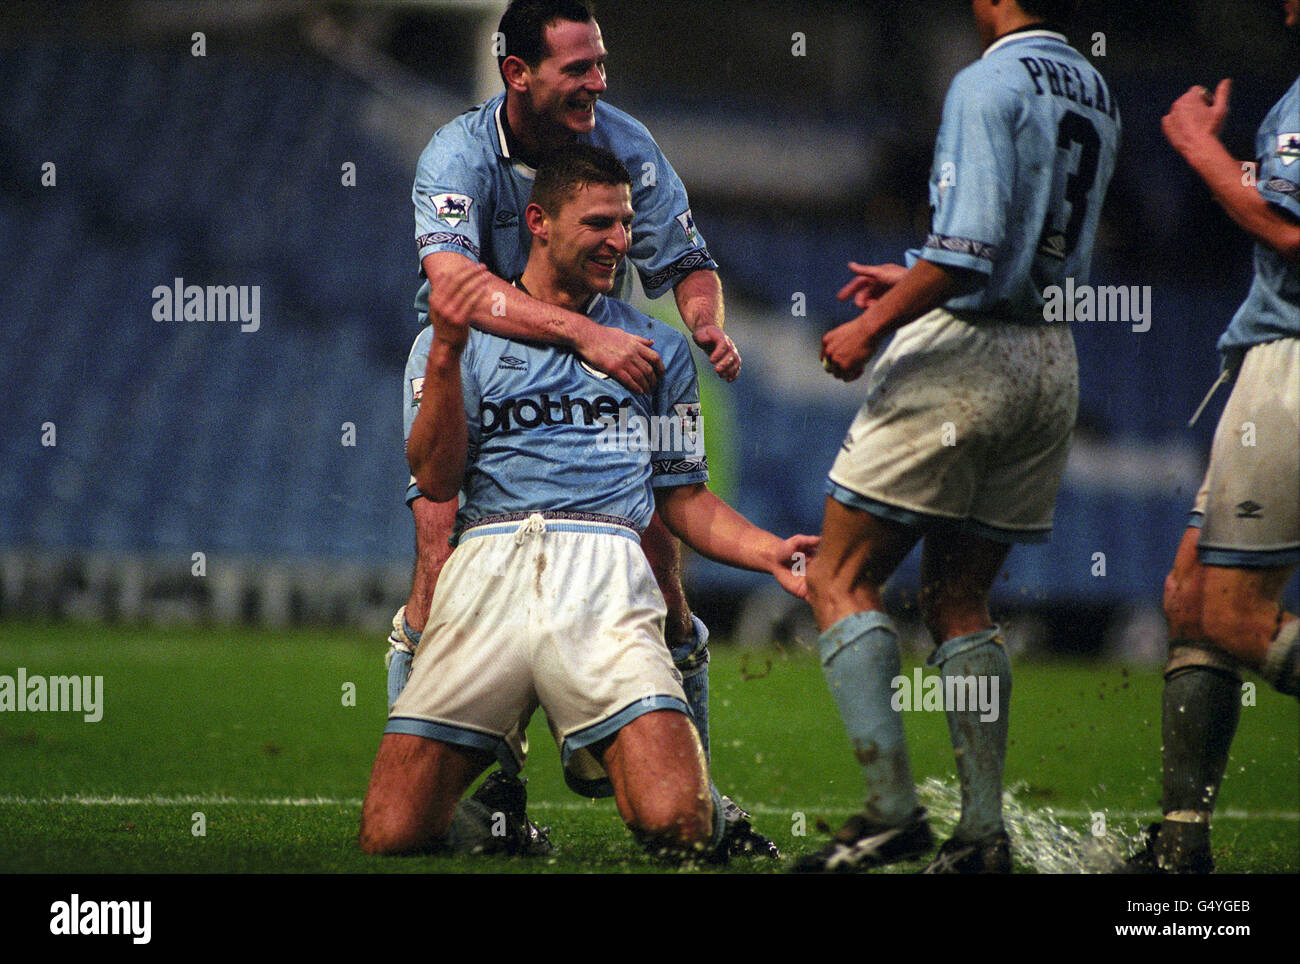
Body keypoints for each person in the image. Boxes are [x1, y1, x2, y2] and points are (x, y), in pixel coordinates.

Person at [385, 0, 770, 854]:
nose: (598, 82)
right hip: (470, 372)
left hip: (599, 382)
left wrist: (702, 322)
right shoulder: (456, 153)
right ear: (519, 75)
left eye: (601, 63)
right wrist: (586, 332)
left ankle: (700, 788)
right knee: (437, 559)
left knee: (665, 578)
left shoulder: (624, 143)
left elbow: (687, 262)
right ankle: (483, 797)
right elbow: (455, 288)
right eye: (579, 68)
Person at [793, 0, 1119, 873]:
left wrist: (876, 324)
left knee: (840, 574)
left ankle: (892, 812)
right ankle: (981, 835)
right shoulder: (1094, 88)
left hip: (965, 357)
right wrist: (915, 272)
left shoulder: (986, 82)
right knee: (958, 602)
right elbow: (1025, 244)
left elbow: (969, 255)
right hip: (1049, 360)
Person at [1125, 0, 1299, 874]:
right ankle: (1181, 846)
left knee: (1229, 614)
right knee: (1190, 596)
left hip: (1294, 361)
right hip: (1271, 359)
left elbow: (1293, 231)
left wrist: (1197, 149)